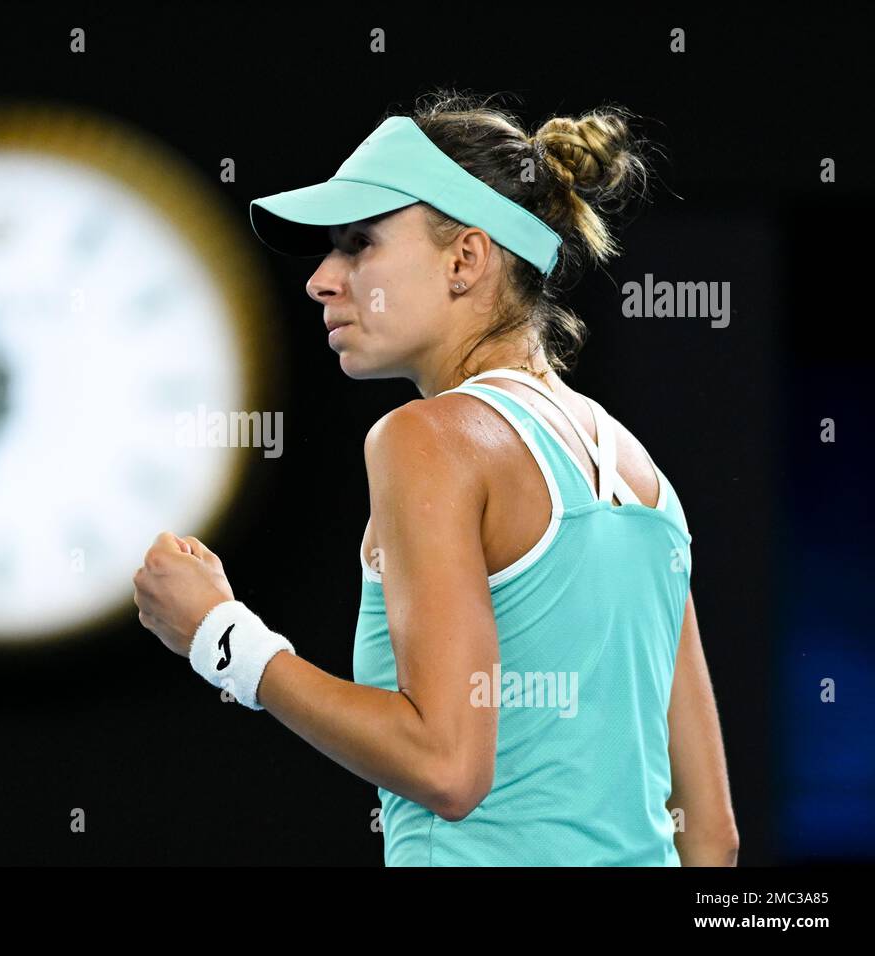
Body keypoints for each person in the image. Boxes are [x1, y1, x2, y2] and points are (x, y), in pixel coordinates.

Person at [132, 88, 738, 866]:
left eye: (359, 244)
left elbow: (446, 768)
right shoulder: (646, 477)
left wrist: (221, 636)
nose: (322, 278)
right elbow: (711, 835)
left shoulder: (426, 440)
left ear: (465, 259)